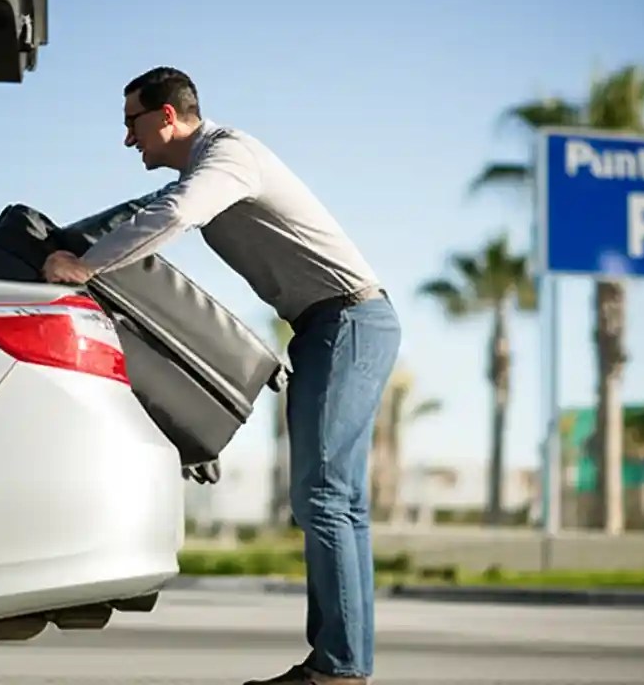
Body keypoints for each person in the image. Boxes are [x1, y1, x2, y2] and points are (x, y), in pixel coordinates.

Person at [43, 66, 401, 685]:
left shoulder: (227, 156)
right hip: (329, 326)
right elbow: (145, 213)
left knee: (323, 498)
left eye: (132, 123)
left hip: (348, 320)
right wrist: (66, 243)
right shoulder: (206, 170)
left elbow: (175, 215)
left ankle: (340, 669)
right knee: (340, 503)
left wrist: (84, 269)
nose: (129, 140)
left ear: (166, 117)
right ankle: (339, 664)